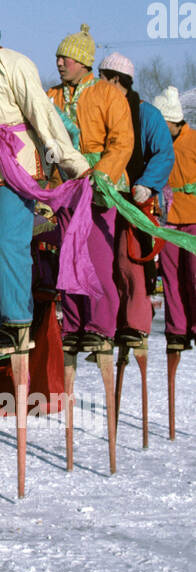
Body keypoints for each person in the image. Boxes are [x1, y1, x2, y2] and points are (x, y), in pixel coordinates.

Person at [0, 0, 88, 360]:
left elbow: (41, 114)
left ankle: (16, 323)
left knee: (4, 239)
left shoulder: (15, 63)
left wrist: (70, 160)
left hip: (16, 163)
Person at [46, 25, 134, 354]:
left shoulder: (107, 94)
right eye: (57, 57)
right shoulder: (50, 97)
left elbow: (122, 141)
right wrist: (49, 181)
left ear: (83, 62)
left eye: (65, 57)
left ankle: (100, 326)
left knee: (97, 258)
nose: (59, 62)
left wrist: (102, 176)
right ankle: (73, 325)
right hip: (66, 186)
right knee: (69, 257)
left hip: (100, 186)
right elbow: (45, 142)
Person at [97, 53, 174, 351]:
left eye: (103, 78)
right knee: (104, 262)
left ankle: (135, 323)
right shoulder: (100, 113)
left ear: (116, 81)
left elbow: (164, 153)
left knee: (130, 261)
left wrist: (148, 183)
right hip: (105, 195)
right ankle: (108, 322)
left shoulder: (147, 114)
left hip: (136, 197)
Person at [153, 86, 196, 352]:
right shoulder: (159, 145)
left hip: (193, 218)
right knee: (170, 277)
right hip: (168, 220)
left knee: (193, 275)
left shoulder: (193, 141)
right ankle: (176, 329)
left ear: (172, 120)